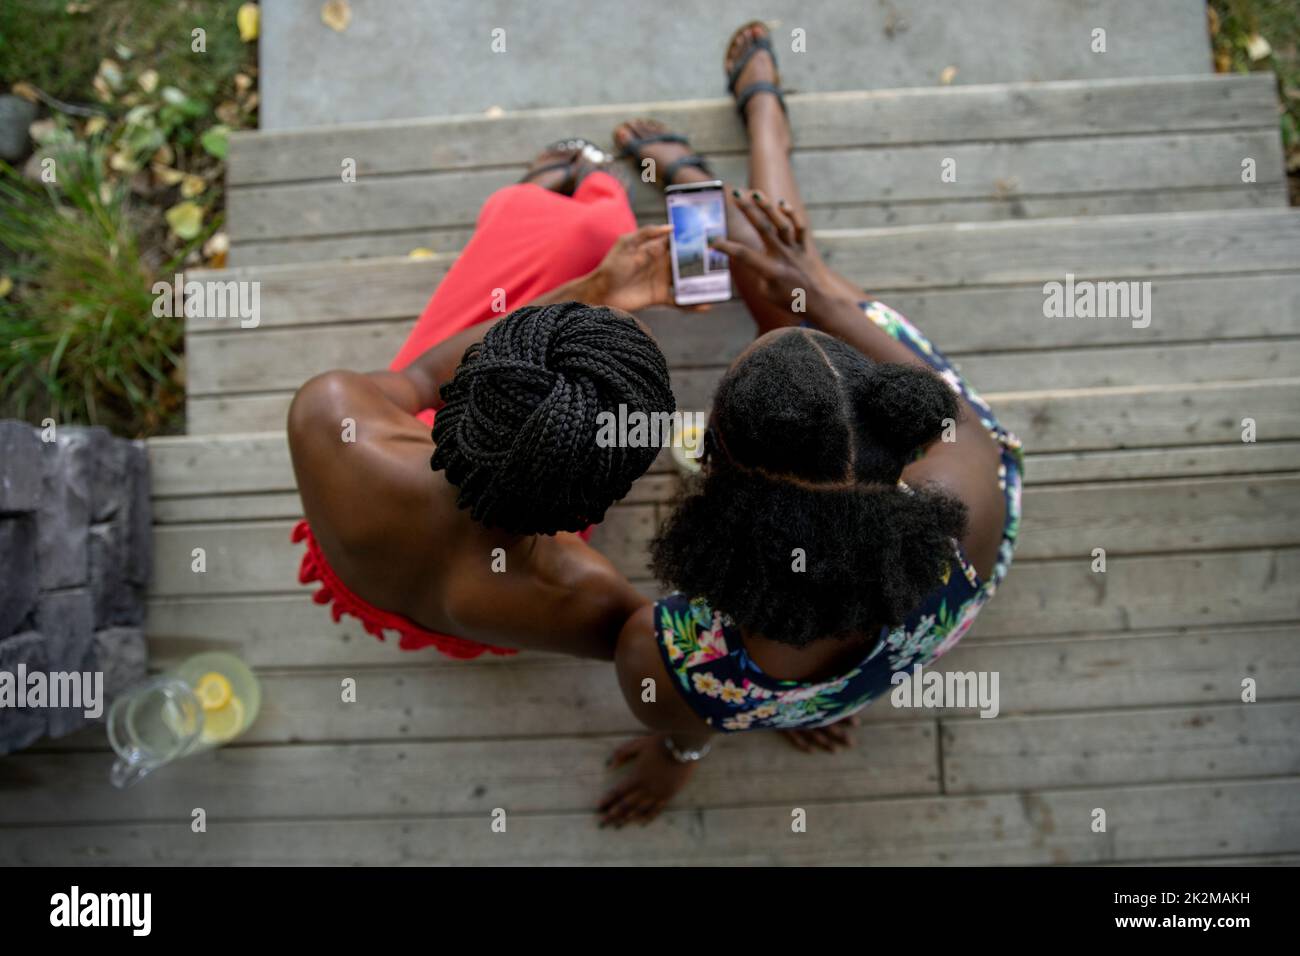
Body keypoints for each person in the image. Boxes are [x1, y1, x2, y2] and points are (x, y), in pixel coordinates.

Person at [597, 22, 1024, 826]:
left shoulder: (663, 649)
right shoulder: (966, 485)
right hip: (898, 635)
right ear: (895, 429)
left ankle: (716, 163)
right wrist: (814, 293)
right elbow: (942, 399)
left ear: (711, 463)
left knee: (779, 277)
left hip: (806, 679)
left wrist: (678, 757)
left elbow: (681, 724)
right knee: (791, 281)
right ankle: (759, 131)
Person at [287, 142, 685, 661]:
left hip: (370, 549)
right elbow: (665, 659)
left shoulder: (329, 414)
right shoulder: (582, 591)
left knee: (566, 226)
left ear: (474, 384)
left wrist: (592, 290)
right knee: (595, 229)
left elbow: (424, 374)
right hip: (490, 603)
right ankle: (552, 199)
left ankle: (538, 194)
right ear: (605, 495)